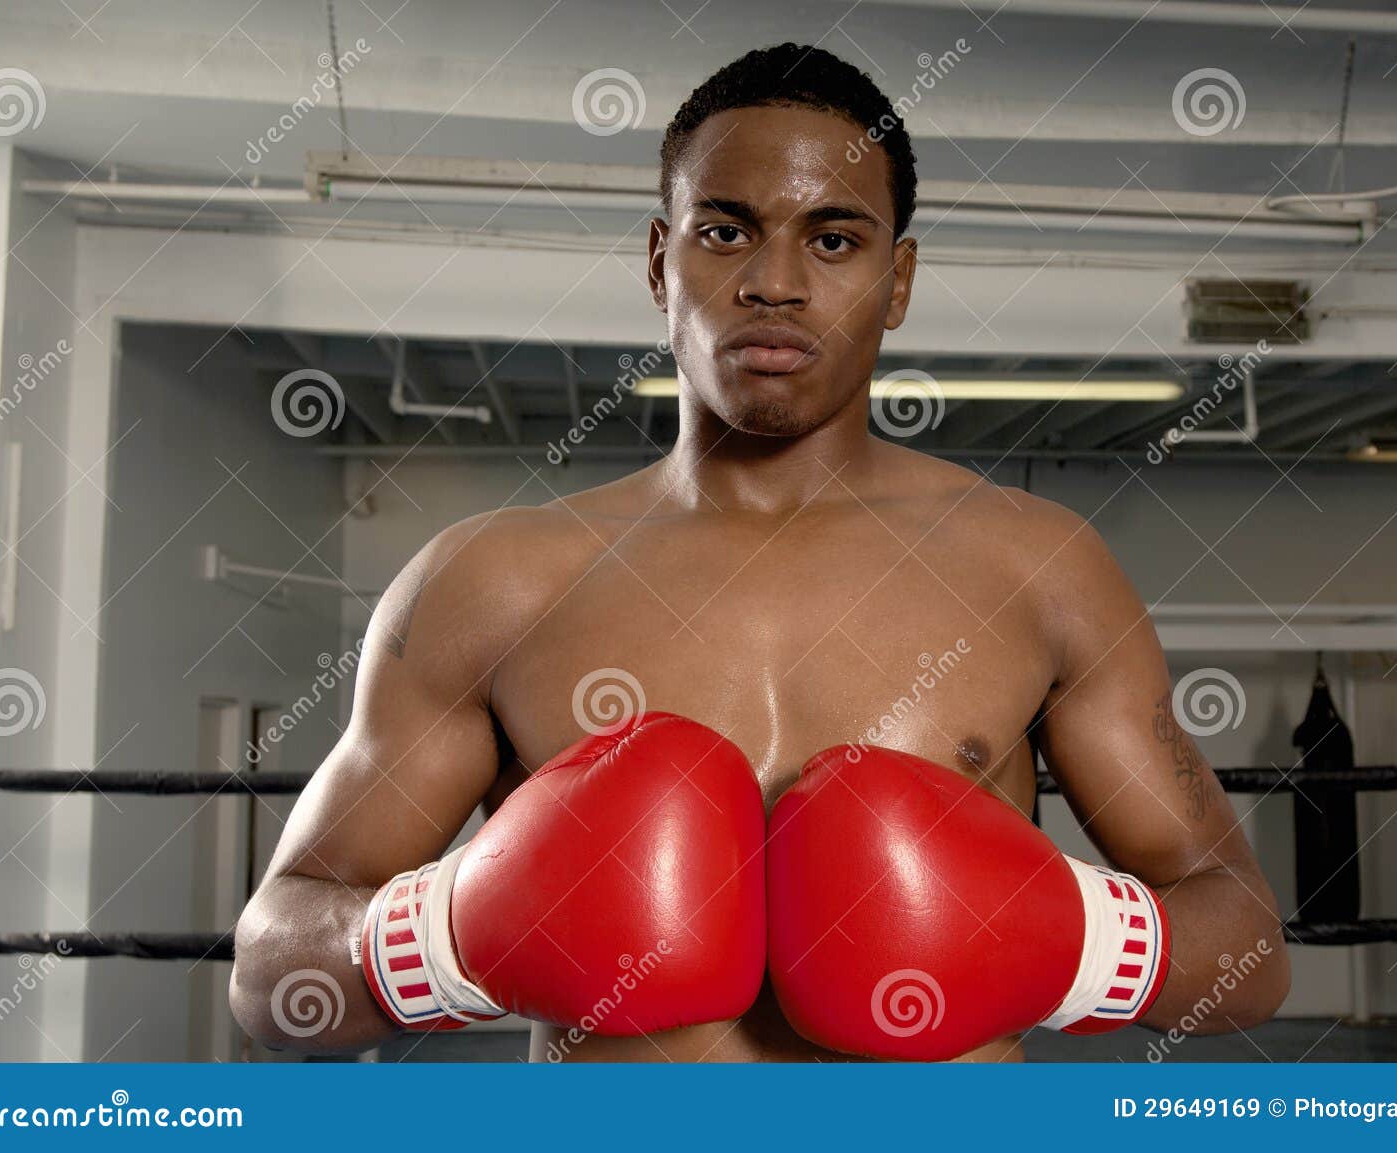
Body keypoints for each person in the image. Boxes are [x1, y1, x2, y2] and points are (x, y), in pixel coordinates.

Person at [230, 42, 1289, 1062]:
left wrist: (1060, 932)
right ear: (660, 259)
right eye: (726, 233)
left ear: (899, 278)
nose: (774, 282)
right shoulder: (493, 580)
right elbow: (272, 973)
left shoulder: (1040, 566)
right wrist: (455, 931)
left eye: (833, 240)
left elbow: (1244, 954)